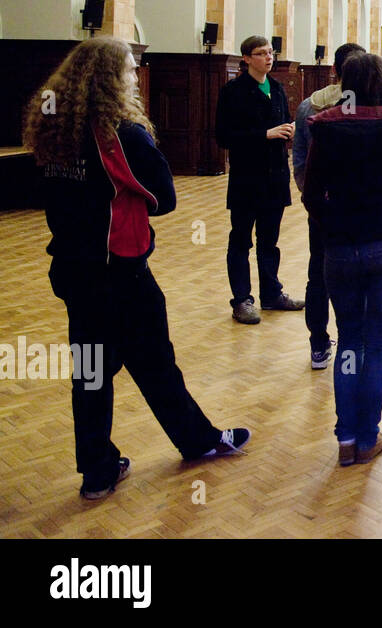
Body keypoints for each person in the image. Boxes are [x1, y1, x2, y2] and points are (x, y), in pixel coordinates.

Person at [24, 37, 249, 500]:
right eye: (129, 69)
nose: (135, 77)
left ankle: (97, 471)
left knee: (90, 372)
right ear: (111, 78)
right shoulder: (122, 134)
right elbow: (164, 198)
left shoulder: (54, 126)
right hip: (119, 270)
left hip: (73, 267)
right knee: (156, 365)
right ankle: (199, 441)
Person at [302, 54, 382, 466]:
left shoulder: (326, 126)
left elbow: (310, 193)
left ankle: (347, 437)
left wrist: (332, 225)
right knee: (380, 342)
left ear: (344, 81)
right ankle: (369, 435)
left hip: (340, 248)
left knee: (349, 340)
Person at [215, 35, 304, 325]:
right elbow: (223, 136)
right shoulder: (233, 92)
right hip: (246, 178)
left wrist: (289, 129)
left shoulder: (277, 88)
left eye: (270, 52)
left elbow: (286, 121)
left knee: (270, 240)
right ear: (246, 58)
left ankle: (271, 293)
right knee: (241, 240)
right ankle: (241, 299)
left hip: (275, 177)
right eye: (261, 53)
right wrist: (264, 134)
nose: (269, 58)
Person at [293, 42, 366, 370]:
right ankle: (353, 344)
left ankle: (318, 343)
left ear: (335, 70)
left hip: (321, 207)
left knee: (318, 272)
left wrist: (312, 200)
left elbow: (298, 161)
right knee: (359, 274)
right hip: (362, 210)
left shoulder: (309, 106)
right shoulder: (376, 107)